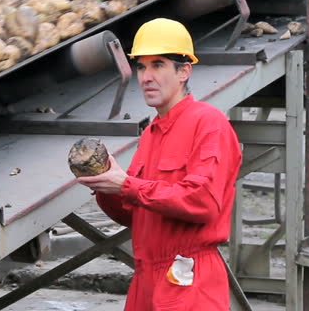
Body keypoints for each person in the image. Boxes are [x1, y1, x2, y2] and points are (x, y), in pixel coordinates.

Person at [78, 18, 242, 310]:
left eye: (158, 65)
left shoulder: (208, 122)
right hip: (147, 278)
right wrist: (107, 186)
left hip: (189, 280)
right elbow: (136, 214)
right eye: (141, 67)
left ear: (184, 71)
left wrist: (127, 184)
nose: (146, 77)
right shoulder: (152, 133)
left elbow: (203, 201)